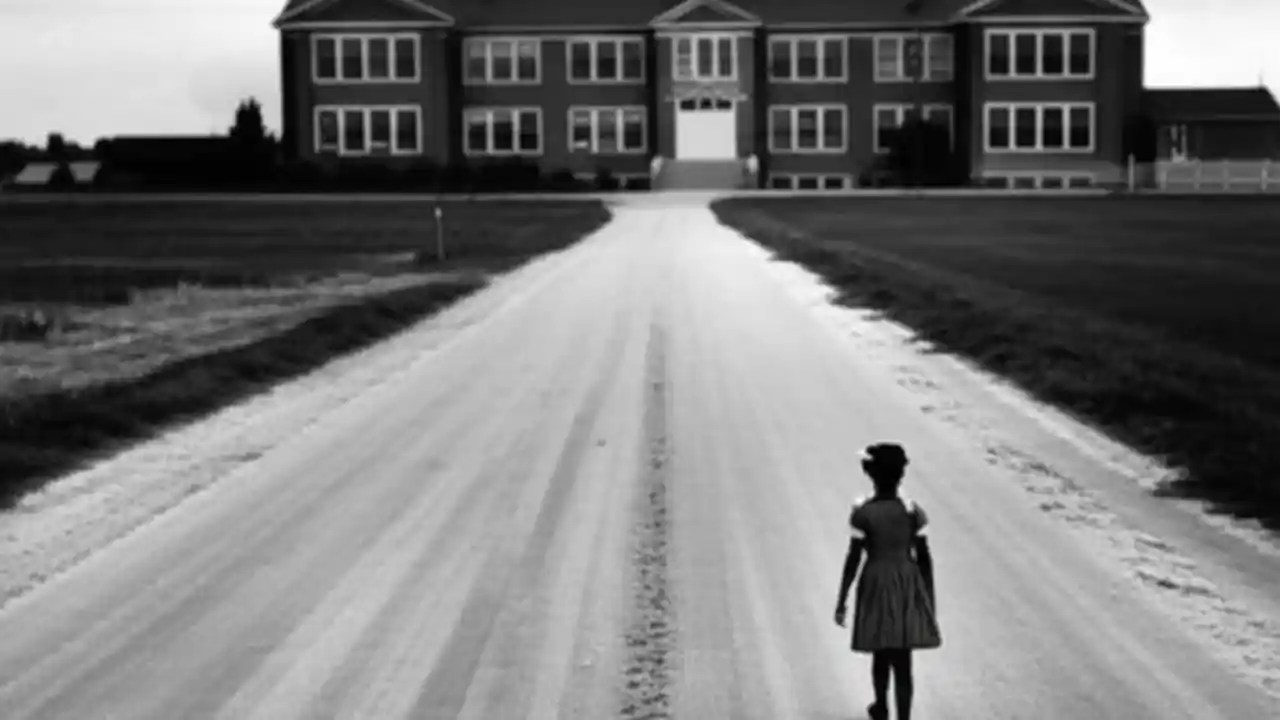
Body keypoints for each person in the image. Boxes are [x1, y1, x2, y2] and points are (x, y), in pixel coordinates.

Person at [834, 442, 941, 720]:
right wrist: (928, 597)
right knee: (903, 658)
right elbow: (925, 557)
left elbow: (853, 558)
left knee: (880, 650)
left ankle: (881, 705)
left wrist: (842, 598)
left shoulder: (863, 513)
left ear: (870, 474)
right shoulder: (912, 511)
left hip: (875, 582)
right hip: (907, 581)